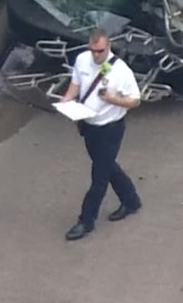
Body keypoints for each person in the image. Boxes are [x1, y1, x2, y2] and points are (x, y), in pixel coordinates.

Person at [58, 29, 143, 241]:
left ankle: (86, 220)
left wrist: (114, 99)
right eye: (93, 50)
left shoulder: (121, 71)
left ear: (109, 46)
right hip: (89, 125)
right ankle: (131, 200)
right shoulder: (82, 60)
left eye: (100, 51)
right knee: (106, 166)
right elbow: (76, 84)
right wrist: (66, 100)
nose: (96, 55)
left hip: (111, 128)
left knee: (99, 177)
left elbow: (135, 100)